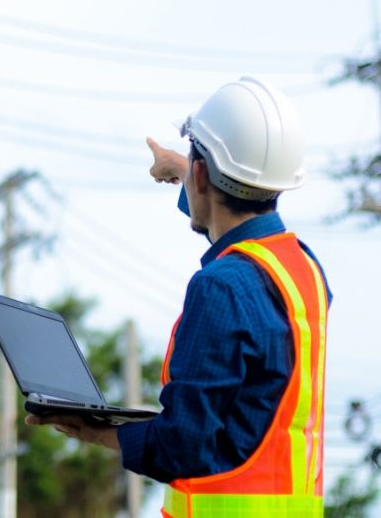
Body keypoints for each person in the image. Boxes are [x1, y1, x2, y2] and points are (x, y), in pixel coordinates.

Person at [26, 76, 331, 517]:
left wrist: (93, 431)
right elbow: (240, 224)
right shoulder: (303, 270)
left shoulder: (220, 287)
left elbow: (181, 446)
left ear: (203, 175)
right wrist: (190, 173)